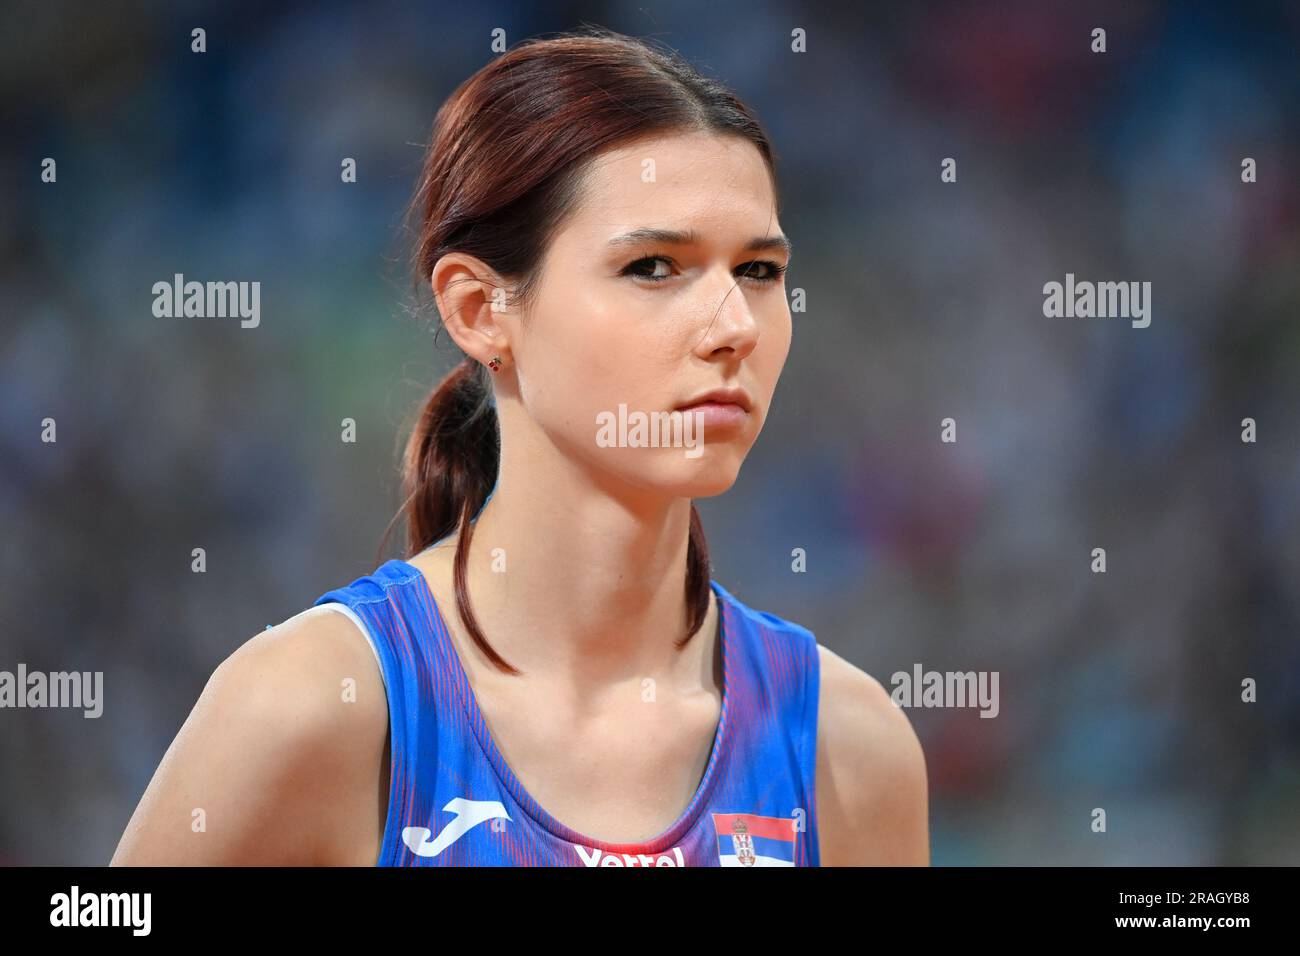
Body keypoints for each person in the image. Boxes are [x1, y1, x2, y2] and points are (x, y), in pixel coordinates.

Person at [112, 27, 928, 867]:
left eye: (758, 272)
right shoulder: (317, 706)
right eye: (653, 266)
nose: (732, 329)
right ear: (479, 310)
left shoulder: (847, 746)